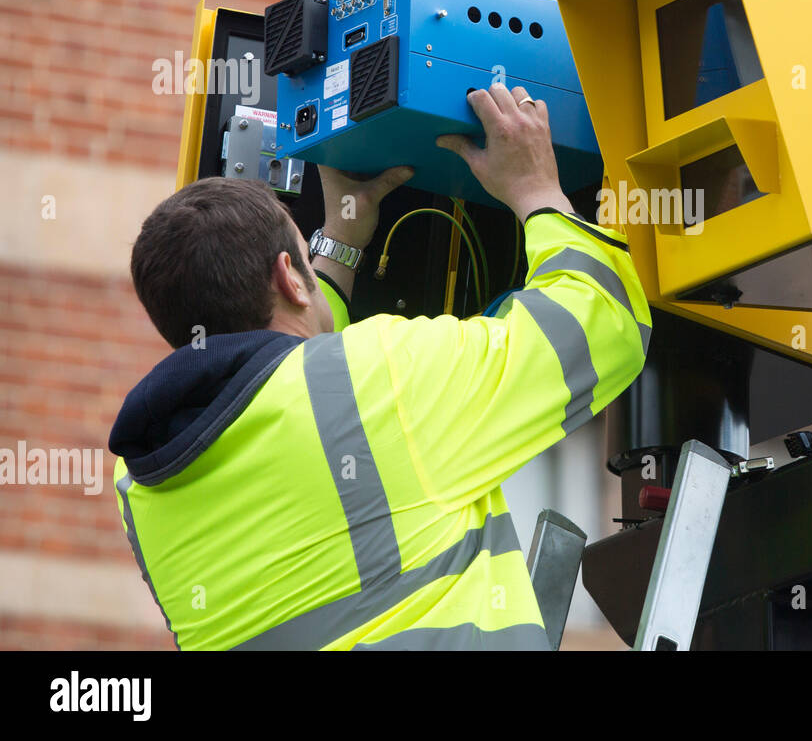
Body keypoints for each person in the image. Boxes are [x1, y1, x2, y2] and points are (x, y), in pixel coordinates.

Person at [109, 83, 651, 650]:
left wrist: (338, 242)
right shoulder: (380, 375)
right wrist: (538, 190)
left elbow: (290, 383)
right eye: (305, 261)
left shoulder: (142, 493)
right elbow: (603, 325)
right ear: (290, 277)